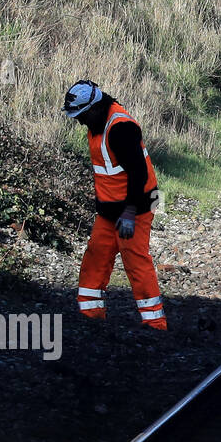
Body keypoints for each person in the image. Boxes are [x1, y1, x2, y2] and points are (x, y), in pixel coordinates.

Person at [63, 81, 167, 330]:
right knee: (95, 257)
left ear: (95, 107)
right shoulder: (98, 121)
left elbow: (139, 175)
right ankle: (90, 318)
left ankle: (156, 326)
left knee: (136, 262)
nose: (80, 121)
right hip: (110, 211)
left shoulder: (121, 129)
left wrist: (129, 213)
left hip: (137, 208)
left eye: (82, 115)